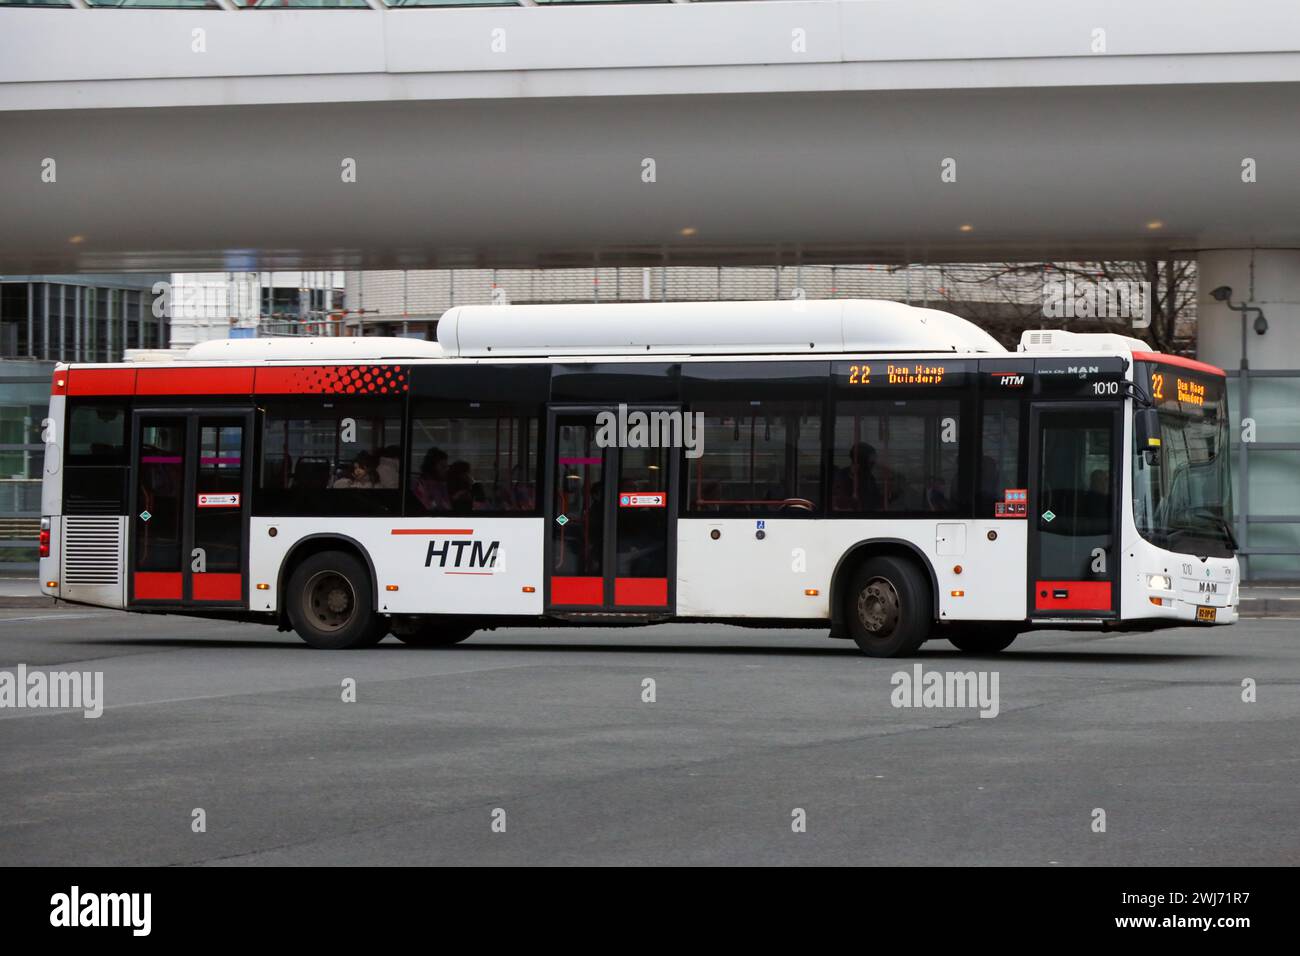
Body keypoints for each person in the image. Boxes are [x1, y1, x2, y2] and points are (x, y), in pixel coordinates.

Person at [413, 447, 451, 511]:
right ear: (431, 466)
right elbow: (428, 508)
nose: (446, 469)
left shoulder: (442, 485)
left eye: (446, 466)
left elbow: (447, 507)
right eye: (442, 466)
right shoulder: (419, 485)